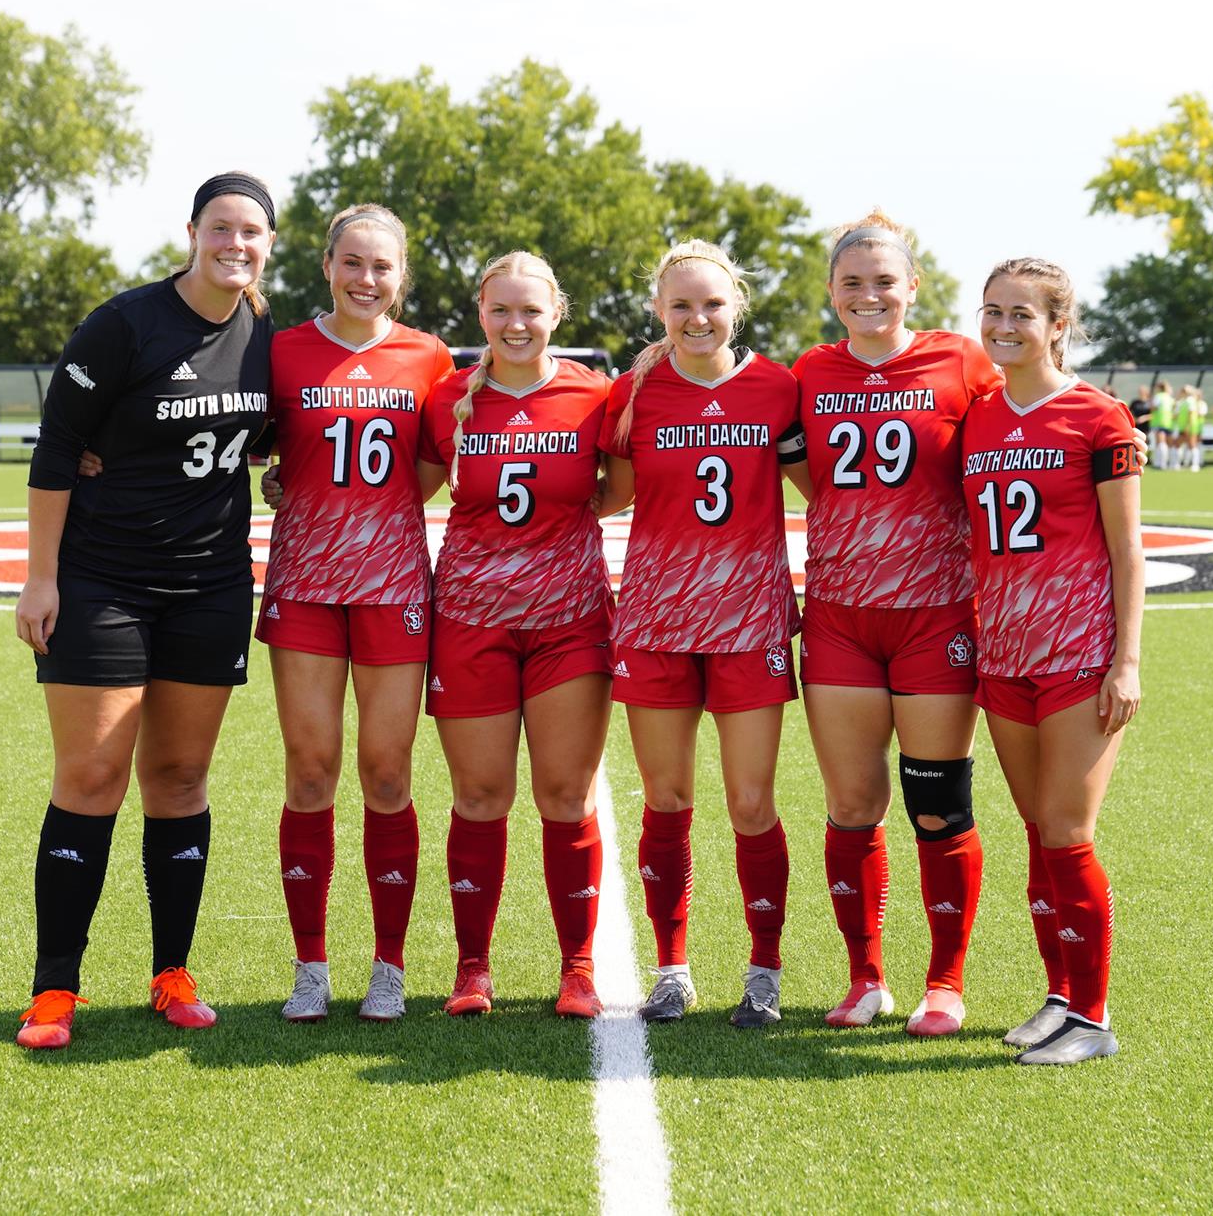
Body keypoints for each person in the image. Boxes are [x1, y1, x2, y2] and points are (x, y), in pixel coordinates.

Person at [13, 172, 277, 1050]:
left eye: (252, 232)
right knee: (91, 778)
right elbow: (58, 446)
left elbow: (269, 436)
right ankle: (55, 988)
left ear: (268, 245)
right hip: (103, 582)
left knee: (179, 780)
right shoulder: (125, 323)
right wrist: (40, 578)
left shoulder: (265, 334)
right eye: (221, 228)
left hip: (209, 585)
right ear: (193, 231)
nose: (235, 244)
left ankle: (172, 972)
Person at [789, 210, 999, 1035]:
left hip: (935, 612)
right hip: (840, 613)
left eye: (885, 280)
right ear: (833, 294)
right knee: (851, 802)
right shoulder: (809, 372)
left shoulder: (959, 359)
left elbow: (1008, 432)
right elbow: (807, 473)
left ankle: (944, 982)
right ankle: (865, 975)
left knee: (938, 802)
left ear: (913, 286)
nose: (870, 294)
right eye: (853, 283)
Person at [597, 239, 808, 1028]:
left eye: (712, 304)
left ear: (736, 308)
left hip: (748, 616)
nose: (697, 318)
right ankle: (673, 967)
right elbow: (607, 496)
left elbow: (823, 491)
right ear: (659, 311)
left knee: (752, 801)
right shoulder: (636, 392)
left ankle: (764, 969)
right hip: (655, 618)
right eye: (680, 305)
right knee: (667, 798)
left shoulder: (775, 388)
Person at [259, 204, 455, 1022]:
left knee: (386, 772)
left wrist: (370, 521)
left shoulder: (430, 357)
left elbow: (439, 461)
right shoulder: (281, 350)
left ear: (400, 275)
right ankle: (311, 965)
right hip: (303, 582)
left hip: (394, 587)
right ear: (327, 265)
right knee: (310, 772)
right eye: (351, 263)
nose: (365, 279)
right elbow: (256, 440)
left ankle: (389, 964)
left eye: (381, 267)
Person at [418, 251, 615, 1020]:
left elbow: (616, 491)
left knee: (565, 794)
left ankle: (579, 967)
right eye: (502, 310)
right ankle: (473, 969)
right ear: (481, 313)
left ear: (556, 314)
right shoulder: (445, 401)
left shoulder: (594, 395)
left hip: (569, 622)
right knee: (480, 794)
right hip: (470, 619)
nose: (517, 324)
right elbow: (410, 487)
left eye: (531, 310)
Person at [965, 257, 1142, 1066]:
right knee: (1038, 833)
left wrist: (1127, 659)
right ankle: (1062, 996)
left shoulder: (1099, 417)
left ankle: (1096, 1018)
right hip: (1004, 652)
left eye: (1022, 314)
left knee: (1069, 834)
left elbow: (1127, 549)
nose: (1004, 326)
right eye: (992, 310)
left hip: (1077, 652)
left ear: (1058, 325)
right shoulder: (977, 417)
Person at [1149, 383, 1176, 470]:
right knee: (1170, 444)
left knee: (1160, 443)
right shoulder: (1170, 398)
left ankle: (1161, 464)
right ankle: (1173, 464)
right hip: (1169, 423)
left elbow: (1153, 408)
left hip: (1159, 422)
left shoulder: (1158, 396)